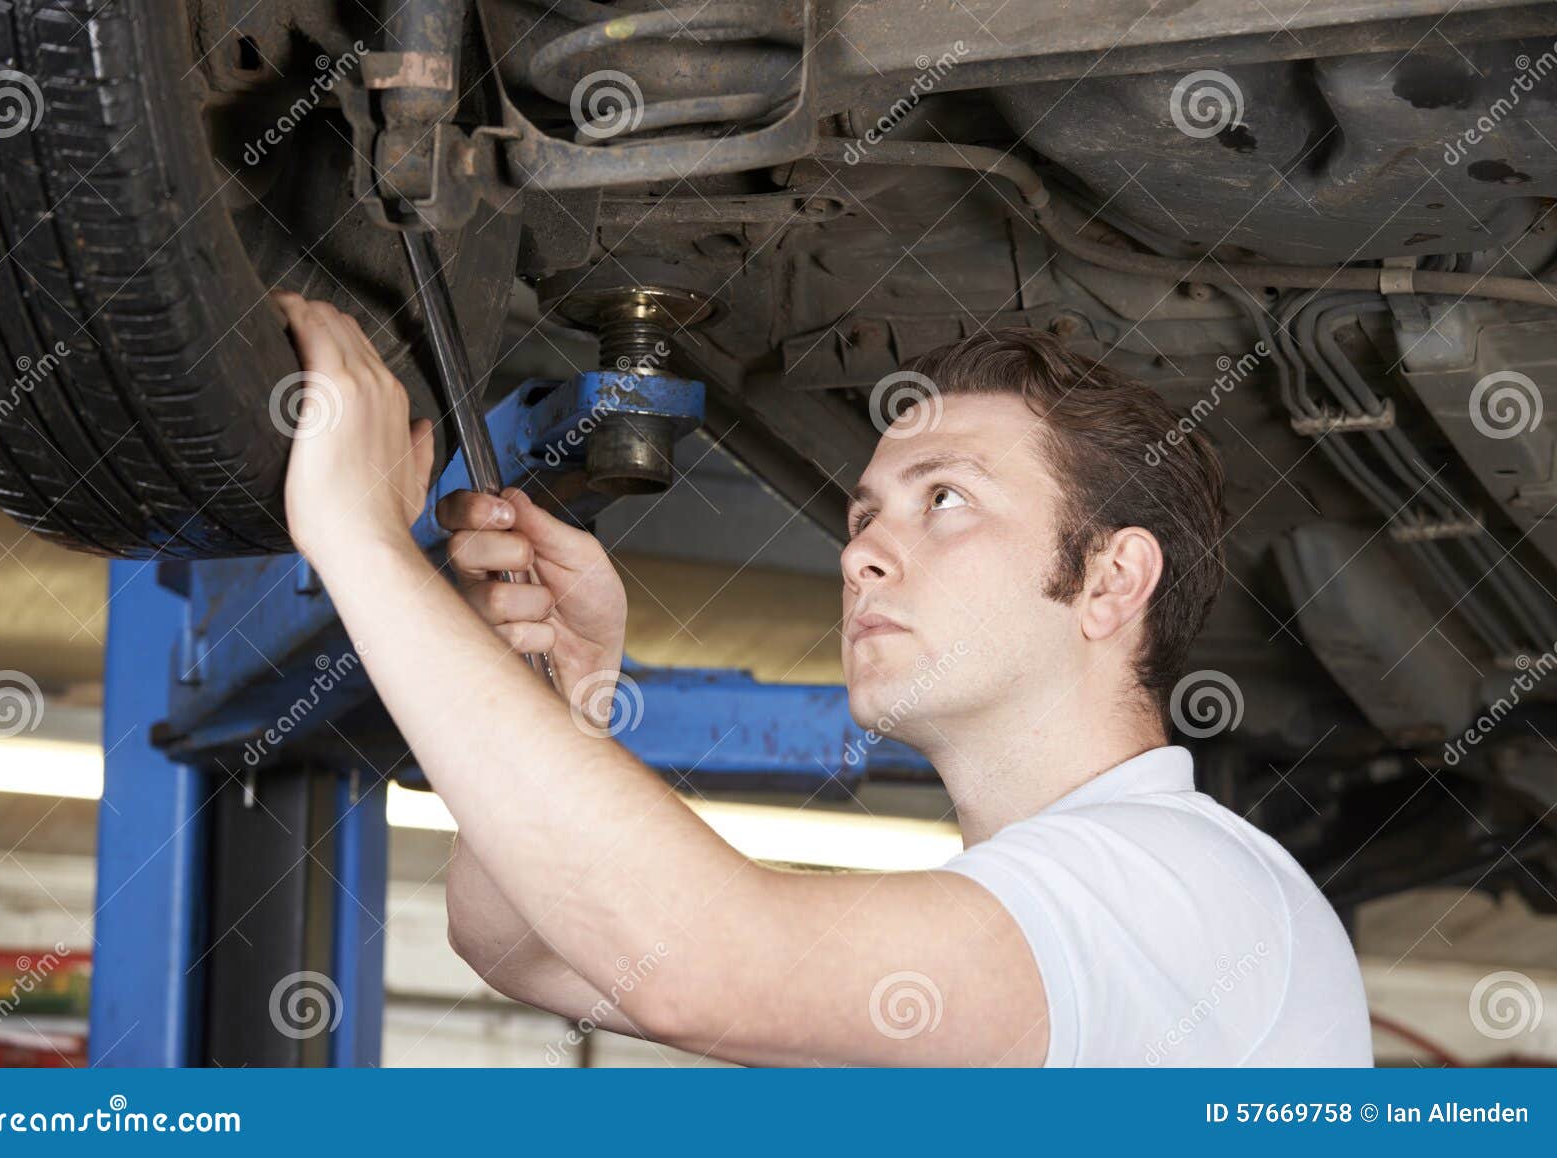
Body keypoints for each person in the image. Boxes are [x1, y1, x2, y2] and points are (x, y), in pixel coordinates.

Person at [274, 290, 1373, 1066]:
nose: (860, 553)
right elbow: (520, 944)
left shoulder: (1180, 887)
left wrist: (361, 541)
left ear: (1109, 577)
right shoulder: (1034, 919)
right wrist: (570, 695)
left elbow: (698, 966)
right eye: (863, 517)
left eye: (944, 499)